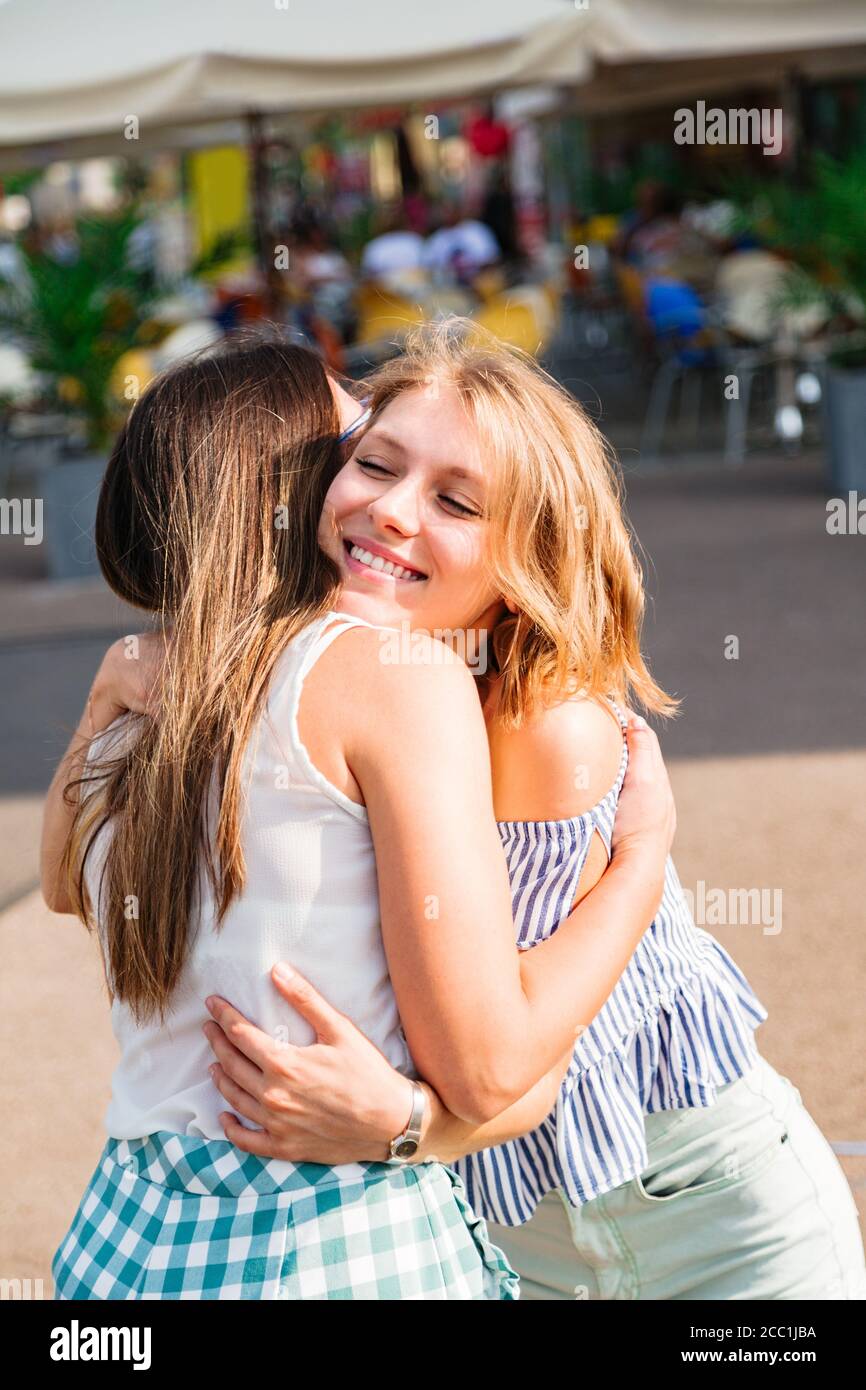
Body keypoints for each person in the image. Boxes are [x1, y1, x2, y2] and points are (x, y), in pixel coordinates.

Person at [104, 320, 866, 1301]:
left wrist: (639, 863)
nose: (389, 512)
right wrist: (123, 672)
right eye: (371, 464)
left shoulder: (542, 729)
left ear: (522, 564)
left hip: (701, 1217)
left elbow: (491, 1062)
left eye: (455, 501)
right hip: (507, 1233)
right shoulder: (337, 684)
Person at [41, 333, 676, 1300]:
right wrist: (641, 860)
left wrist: (101, 698)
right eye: (359, 454)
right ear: (281, 490)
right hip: (323, 1245)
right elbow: (493, 1069)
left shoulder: (155, 686)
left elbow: (58, 885)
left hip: (126, 1234)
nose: (377, 497)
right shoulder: (391, 675)